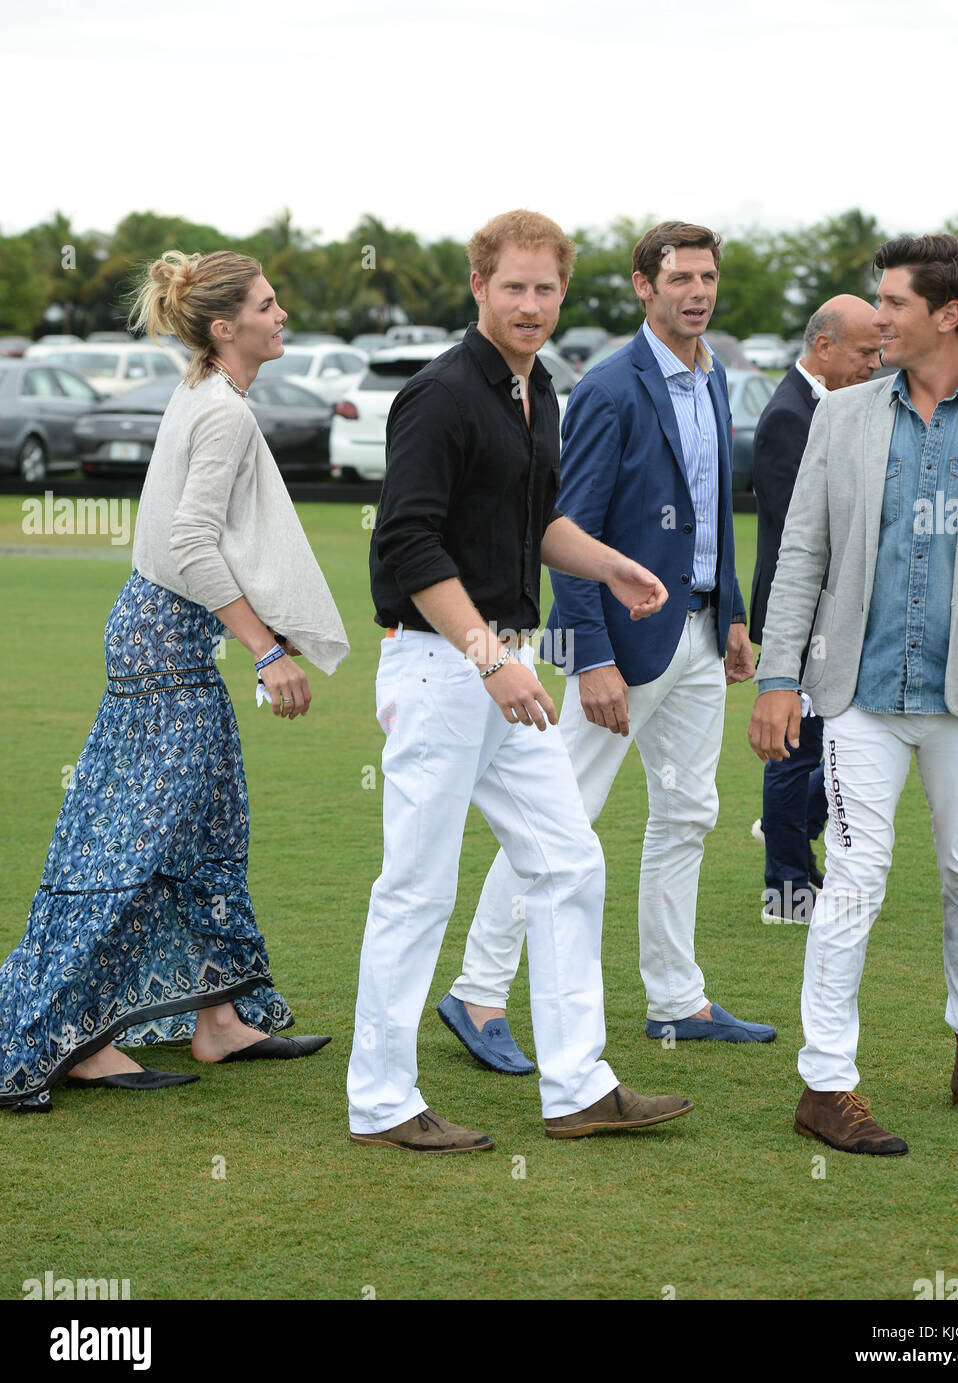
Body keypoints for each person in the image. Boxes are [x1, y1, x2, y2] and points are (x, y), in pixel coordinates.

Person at [347, 209, 695, 1153]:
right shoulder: (439, 394)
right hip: (444, 665)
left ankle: (578, 1087)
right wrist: (490, 658)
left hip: (506, 668)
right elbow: (410, 542)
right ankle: (381, 1103)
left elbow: (534, 522)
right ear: (479, 287)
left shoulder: (536, 389)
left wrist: (609, 563)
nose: (532, 305)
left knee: (569, 863)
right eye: (514, 288)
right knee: (417, 889)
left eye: (546, 289)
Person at [0, 250, 348, 1114]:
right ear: (225, 328)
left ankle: (222, 1018)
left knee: (207, 830)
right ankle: (75, 1041)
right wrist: (268, 651)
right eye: (268, 307)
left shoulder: (205, 391)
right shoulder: (221, 411)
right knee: (131, 849)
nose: (282, 318)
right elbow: (193, 542)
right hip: (166, 647)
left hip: (159, 637)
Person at [438, 220, 774, 1078]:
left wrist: (731, 615)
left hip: (698, 634)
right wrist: (588, 656)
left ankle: (675, 999)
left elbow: (711, 511)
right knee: (556, 822)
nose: (697, 292)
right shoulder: (610, 388)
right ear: (642, 286)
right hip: (617, 648)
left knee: (689, 815)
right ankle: (477, 993)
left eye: (707, 277)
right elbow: (565, 528)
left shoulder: (715, 375)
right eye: (680, 279)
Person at [749, 233, 958, 1155]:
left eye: (895, 304)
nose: (878, 318)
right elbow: (802, 554)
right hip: (861, 697)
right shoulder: (841, 414)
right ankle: (827, 1084)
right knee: (856, 881)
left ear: (947, 316)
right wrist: (779, 678)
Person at [749, 296, 881, 926]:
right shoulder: (787, 416)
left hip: (833, 619)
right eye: (864, 353)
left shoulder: (829, 406)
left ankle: (795, 848)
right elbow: (798, 530)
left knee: (825, 748)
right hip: (800, 619)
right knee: (794, 751)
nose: (875, 365)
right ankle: (787, 889)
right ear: (823, 347)